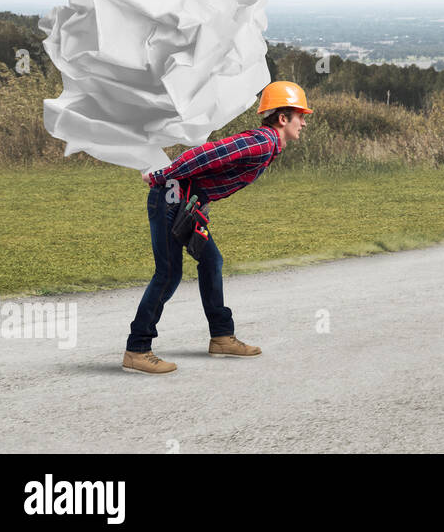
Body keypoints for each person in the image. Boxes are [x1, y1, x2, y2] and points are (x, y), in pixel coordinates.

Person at [121, 81, 313, 374]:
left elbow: (211, 172)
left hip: (185, 202)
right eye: (300, 115)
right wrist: (162, 176)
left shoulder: (269, 145)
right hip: (170, 197)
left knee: (212, 261)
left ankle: (222, 337)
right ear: (283, 118)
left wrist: (199, 203)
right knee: (169, 274)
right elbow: (205, 154)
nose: (304, 121)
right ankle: (137, 349)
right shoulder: (262, 142)